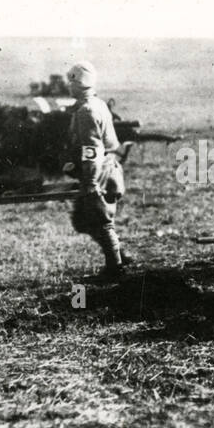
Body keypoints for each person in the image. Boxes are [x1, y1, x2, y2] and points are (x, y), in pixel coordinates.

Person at [66, 61, 129, 279]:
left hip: (98, 172)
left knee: (98, 219)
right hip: (106, 167)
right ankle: (120, 254)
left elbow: (92, 150)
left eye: (71, 82)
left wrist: (91, 183)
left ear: (78, 85)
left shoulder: (86, 111)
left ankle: (116, 266)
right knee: (84, 219)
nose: (68, 86)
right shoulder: (97, 104)